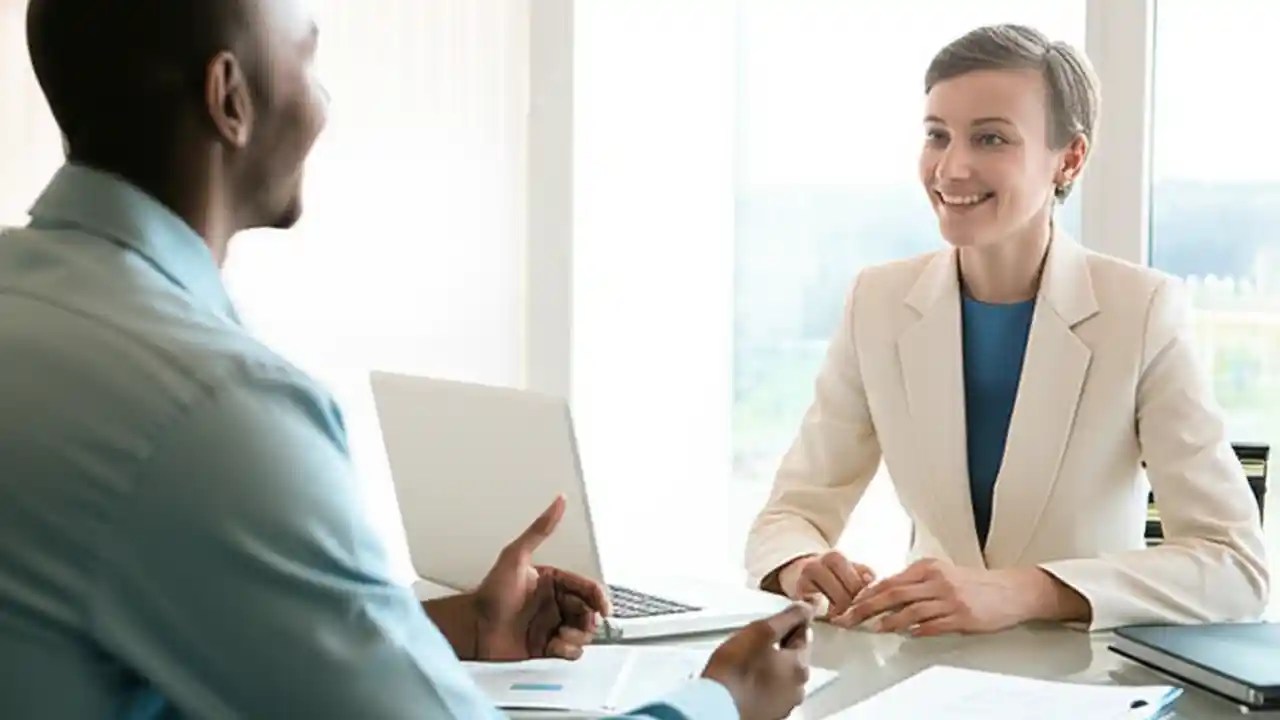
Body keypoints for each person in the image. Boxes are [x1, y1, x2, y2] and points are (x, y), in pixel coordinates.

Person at [0, 1, 813, 718]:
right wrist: (720, 701)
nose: (324, 101)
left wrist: (445, 629)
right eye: (309, 58)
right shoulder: (210, 407)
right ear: (231, 99)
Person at [746, 24, 1269, 635]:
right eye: (937, 135)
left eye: (991, 138)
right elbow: (790, 512)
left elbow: (1235, 567)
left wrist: (1027, 591)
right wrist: (801, 564)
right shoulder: (878, 302)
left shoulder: (1142, 311)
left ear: (1069, 158)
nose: (953, 167)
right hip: (924, 670)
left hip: (1083, 680)